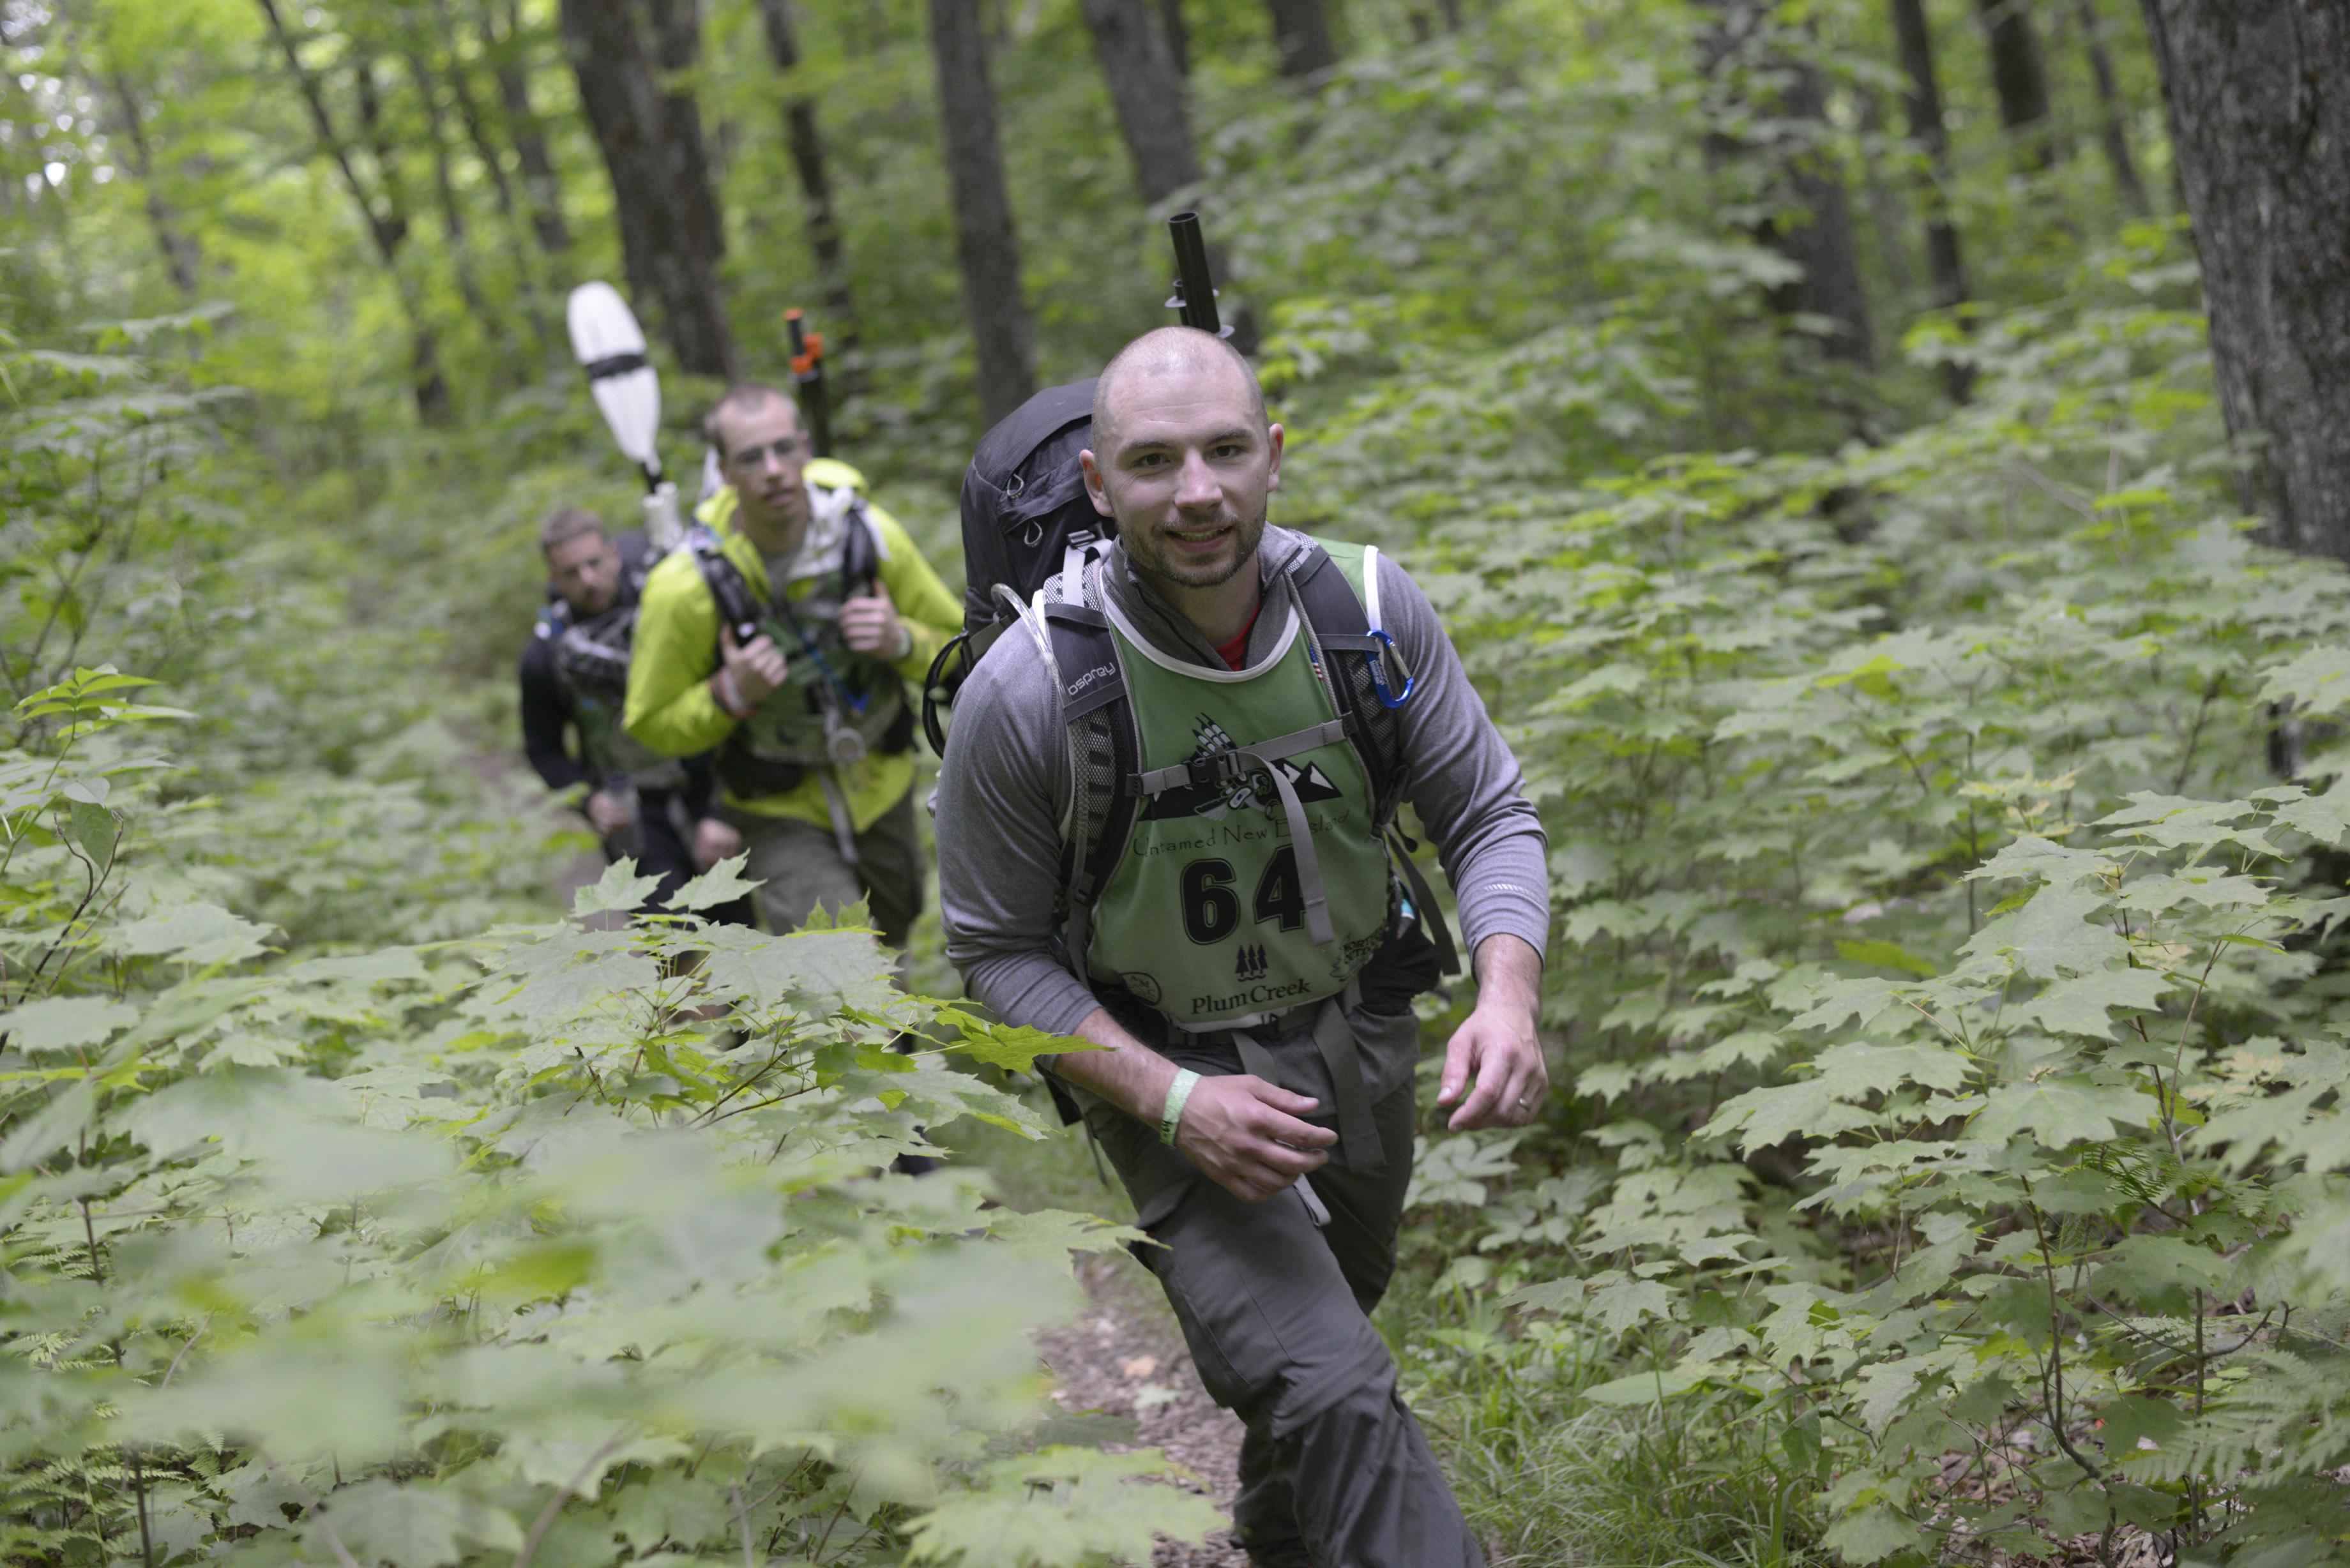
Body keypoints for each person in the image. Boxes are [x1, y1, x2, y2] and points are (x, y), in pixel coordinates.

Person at [933, 328, 1551, 1568]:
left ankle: (1281, 1536)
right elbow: (996, 957)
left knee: (1330, 1334)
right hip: (1157, 1060)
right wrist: (1171, 1100)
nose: (1198, 492)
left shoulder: (1366, 612)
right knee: (1332, 1384)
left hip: (1356, 1028)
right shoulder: (1028, 692)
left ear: (1273, 456)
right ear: (1102, 489)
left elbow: (1486, 812)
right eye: (1153, 462)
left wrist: (1507, 994)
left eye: (1224, 452)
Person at [623, 384, 962, 949]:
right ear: (724, 470)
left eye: (784, 449)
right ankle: (871, 1033)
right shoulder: (684, 589)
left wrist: (900, 641)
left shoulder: (870, 537)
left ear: (806, 448)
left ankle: (897, 1040)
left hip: (881, 782)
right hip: (774, 806)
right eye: (752, 458)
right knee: (838, 964)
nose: (774, 471)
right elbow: (648, 721)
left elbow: (964, 651)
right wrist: (728, 693)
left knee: (892, 939)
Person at [520, 508, 715, 910]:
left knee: (740, 932)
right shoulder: (546, 657)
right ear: (554, 579)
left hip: (705, 786)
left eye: (594, 564)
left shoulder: (670, 605)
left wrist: (722, 809)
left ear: (613, 555)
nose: (588, 581)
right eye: (572, 573)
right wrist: (589, 800)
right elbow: (543, 747)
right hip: (632, 812)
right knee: (674, 950)